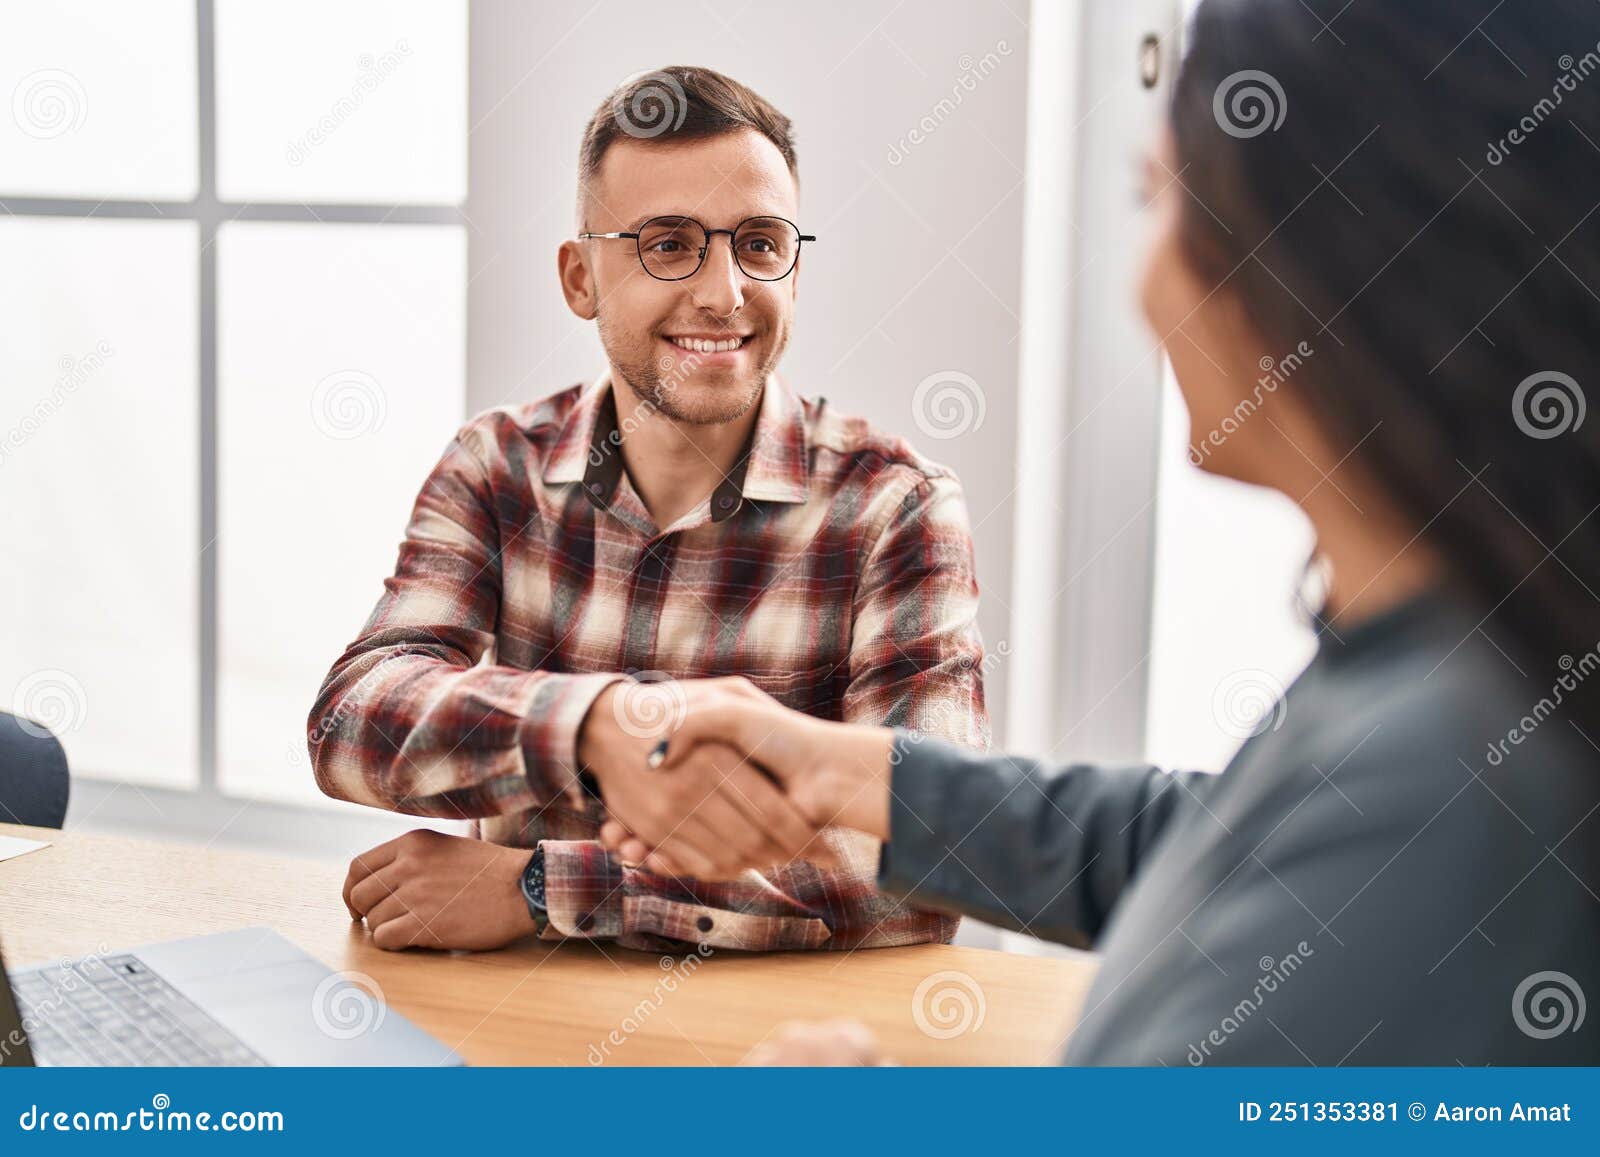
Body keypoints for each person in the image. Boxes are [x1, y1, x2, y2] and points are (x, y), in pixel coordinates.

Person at [605, 0, 1600, 1064]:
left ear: (1322, 259)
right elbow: (1210, 840)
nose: (1146, 288)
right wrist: (842, 771)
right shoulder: (1445, 667)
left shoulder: (1446, 781)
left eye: (1159, 204)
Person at [308, 67, 990, 954]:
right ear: (581, 277)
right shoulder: (495, 465)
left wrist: (549, 885)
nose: (723, 292)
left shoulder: (897, 508)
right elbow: (350, 720)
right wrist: (591, 727)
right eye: (669, 244)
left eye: (758, 242)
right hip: (517, 1029)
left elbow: (937, 852)